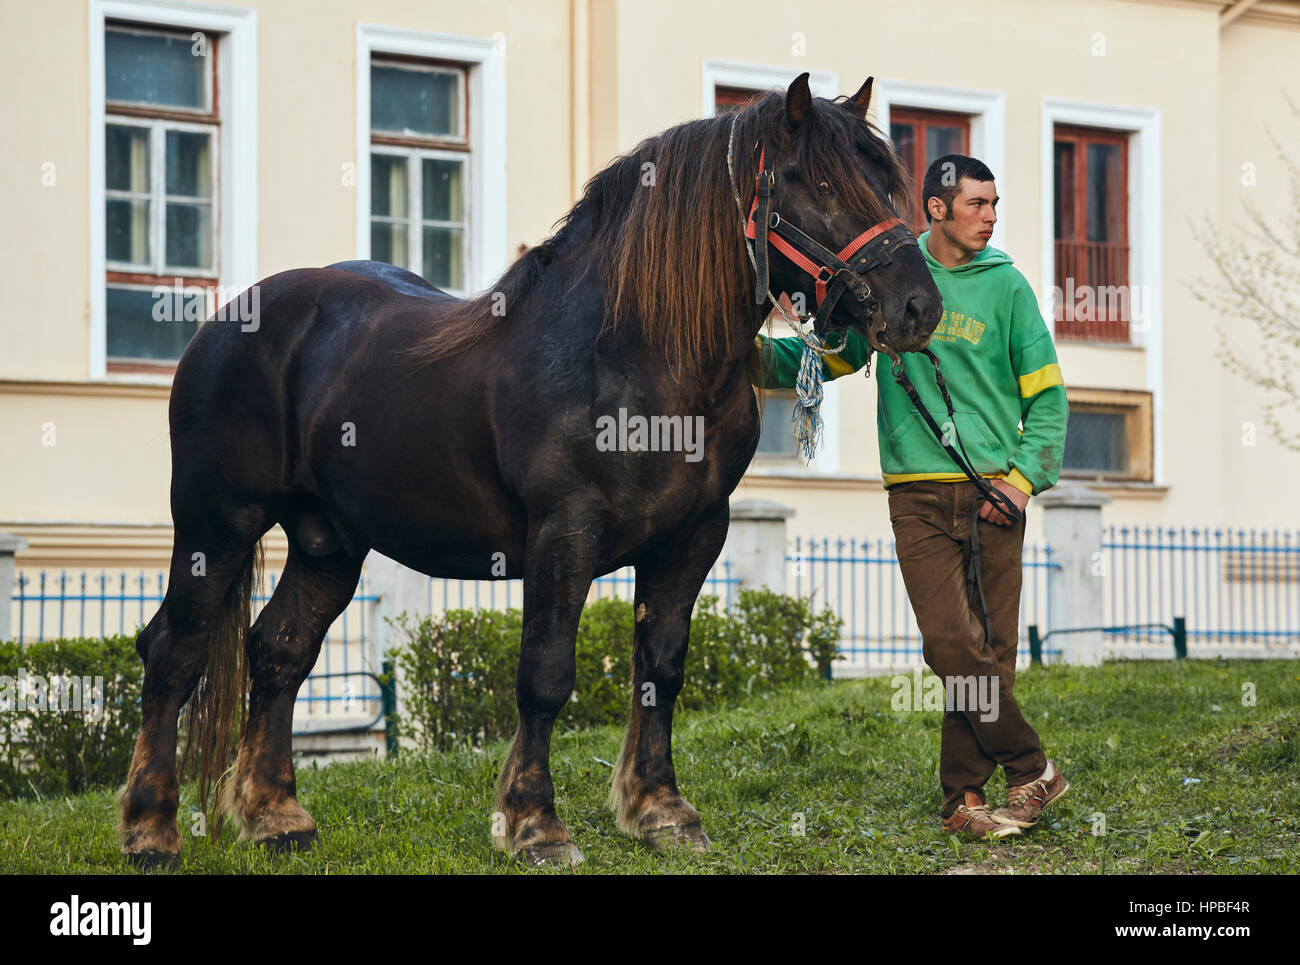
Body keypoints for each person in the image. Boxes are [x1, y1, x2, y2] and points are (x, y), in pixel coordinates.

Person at [753, 155, 1069, 840]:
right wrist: (744, 358)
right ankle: (1033, 766)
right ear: (935, 208)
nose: (991, 215)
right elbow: (831, 356)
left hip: (994, 493)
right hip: (917, 493)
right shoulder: (892, 276)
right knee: (950, 641)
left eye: (994, 203)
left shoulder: (1007, 287)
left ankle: (963, 798)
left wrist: (1020, 481)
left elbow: (1047, 397)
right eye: (977, 204)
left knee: (992, 648)